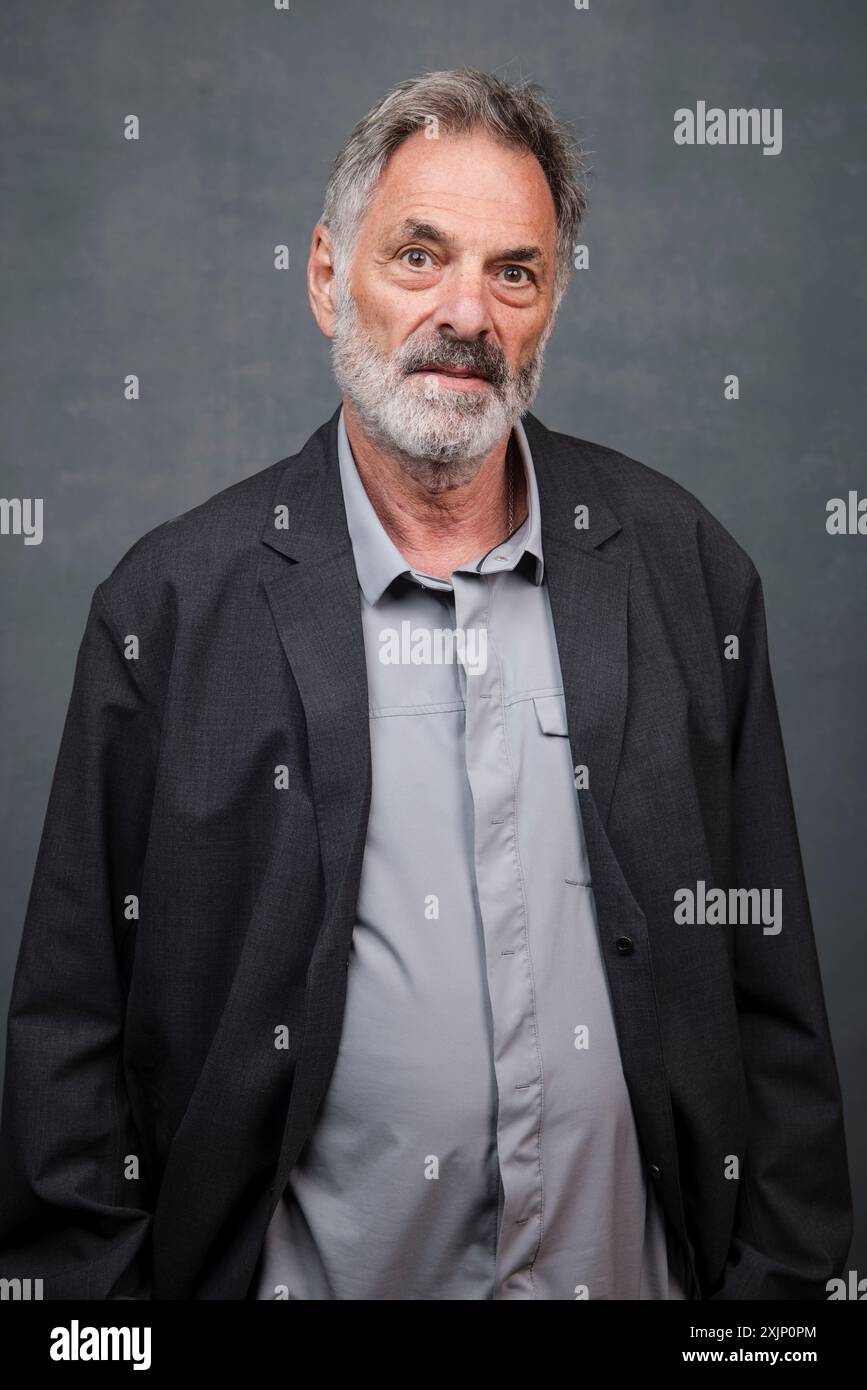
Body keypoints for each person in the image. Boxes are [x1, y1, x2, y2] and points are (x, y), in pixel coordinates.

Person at [0, 68, 852, 1300]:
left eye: (515, 271)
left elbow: (776, 1018)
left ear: (551, 303)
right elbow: (67, 1044)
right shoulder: (169, 610)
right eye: (419, 256)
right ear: (324, 274)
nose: (469, 314)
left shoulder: (689, 574)